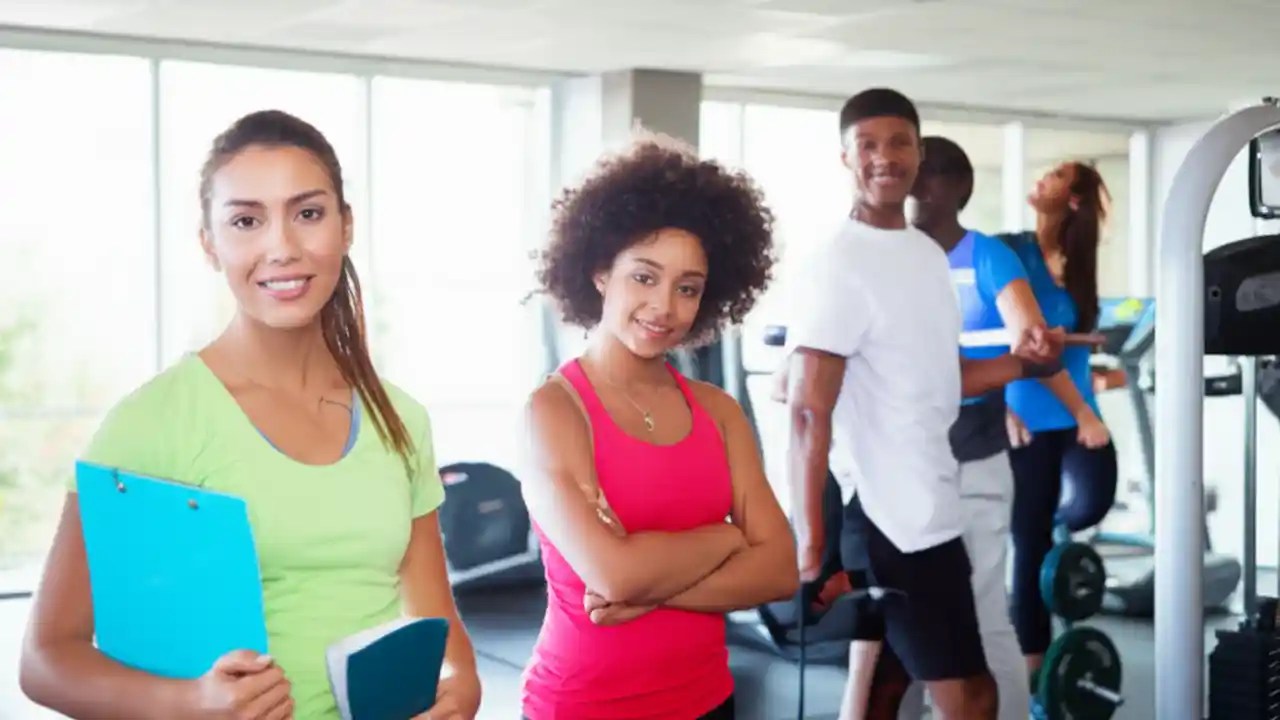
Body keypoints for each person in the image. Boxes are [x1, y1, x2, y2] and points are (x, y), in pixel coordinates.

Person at [19, 109, 481, 720]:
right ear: (210, 243)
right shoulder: (153, 423)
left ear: (346, 226)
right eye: (246, 221)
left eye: (308, 214)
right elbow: (47, 659)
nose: (282, 248)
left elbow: (439, 633)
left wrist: (460, 687)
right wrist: (188, 704)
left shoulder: (400, 418)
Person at [784, 89, 1064, 720]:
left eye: (900, 143)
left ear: (917, 151)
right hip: (894, 520)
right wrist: (808, 539)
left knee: (885, 688)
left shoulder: (922, 254)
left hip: (933, 502)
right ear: (845, 158)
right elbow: (806, 409)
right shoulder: (838, 261)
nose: (886, 158)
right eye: (868, 145)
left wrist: (1028, 363)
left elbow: (944, 375)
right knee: (972, 694)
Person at [520, 132, 799, 719]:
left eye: (687, 288)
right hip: (585, 706)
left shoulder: (718, 412)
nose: (664, 307)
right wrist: (724, 540)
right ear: (600, 272)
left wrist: (650, 583)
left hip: (707, 700)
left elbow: (777, 570)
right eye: (644, 277)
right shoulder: (554, 410)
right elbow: (614, 574)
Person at [1002, 160, 1119, 683]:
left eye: (1053, 176)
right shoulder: (1012, 252)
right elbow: (1012, 338)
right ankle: (1034, 661)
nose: (1039, 179)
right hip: (1029, 414)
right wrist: (1000, 406)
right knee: (1030, 541)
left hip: (1078, 413)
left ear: (1073, 200)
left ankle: (1058, 560)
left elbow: (1065, 337)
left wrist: (1095, 367)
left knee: (1091, 501)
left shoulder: (1079, 263)